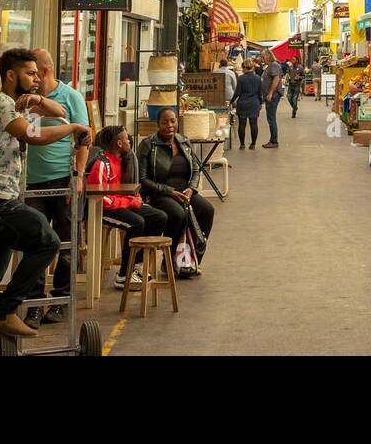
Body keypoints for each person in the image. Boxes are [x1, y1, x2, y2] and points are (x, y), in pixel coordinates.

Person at [0, 48, 91, 356]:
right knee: (48, 242)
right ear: (10, 75)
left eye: (37, 73)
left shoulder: (19, 106)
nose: (36, 79)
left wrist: (39, 100)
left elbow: (58, 111)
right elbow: (33, 135)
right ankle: (5, 310)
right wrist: (74, 128)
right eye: (30, 74)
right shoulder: (2, 104)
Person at [22, 47, 90, 328]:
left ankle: (62, 299)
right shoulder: (27, 100)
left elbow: (85, 138)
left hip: (63, 180)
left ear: (45, 71)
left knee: (65, 243)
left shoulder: (70, 97)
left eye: (34, 72)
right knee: (34, 243)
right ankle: (34, 303)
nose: (32, 78)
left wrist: (79, 176)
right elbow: (27, 133)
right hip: (31, 182)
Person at [85, 126, 168, 289]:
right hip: (104, 209)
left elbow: (123, 190)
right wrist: (129, 202)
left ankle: (136, 265)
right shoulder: (101, 164)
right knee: (137, 223)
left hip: (120, 204)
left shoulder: (123, 160)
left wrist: (135, 198)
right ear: (119, 143)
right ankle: (123, 275)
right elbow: (100, 198)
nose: (129, 142)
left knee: (159, 217)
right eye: (126, 139)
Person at [137, 108, 215, 271]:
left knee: (207, 210)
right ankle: (169, 260)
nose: (169, 125)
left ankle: (191, 259)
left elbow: (195, 170)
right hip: (160, 194)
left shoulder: (184, 142)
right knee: (178, 214)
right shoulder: (148, 144)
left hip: (185, 192)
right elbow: (142, 180)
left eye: (173, 121)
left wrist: (191, 189)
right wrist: (170, 191)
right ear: (158, 124)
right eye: (164, 122)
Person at [230, 59, 265, 149]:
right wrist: (260, 102)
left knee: (242, 124)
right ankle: (253, 144)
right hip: (254, 103)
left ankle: (242, 144)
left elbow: (237, 92)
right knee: (254, 124)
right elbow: (260, 92)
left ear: (245, 68)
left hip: (243, 103)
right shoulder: (258, 78)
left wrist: (231, 101)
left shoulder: (241, 78)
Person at [259, 47, 284, 148]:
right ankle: (273, 140)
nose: (262, 59)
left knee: (271, 118)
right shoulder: (270, 66)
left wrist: (270, 93)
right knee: (270, 118)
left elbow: (276, 79)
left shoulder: (274, 65)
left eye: (263, 57)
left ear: (268, 57)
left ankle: (274, 141)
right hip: (271, 96)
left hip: (273, 96)